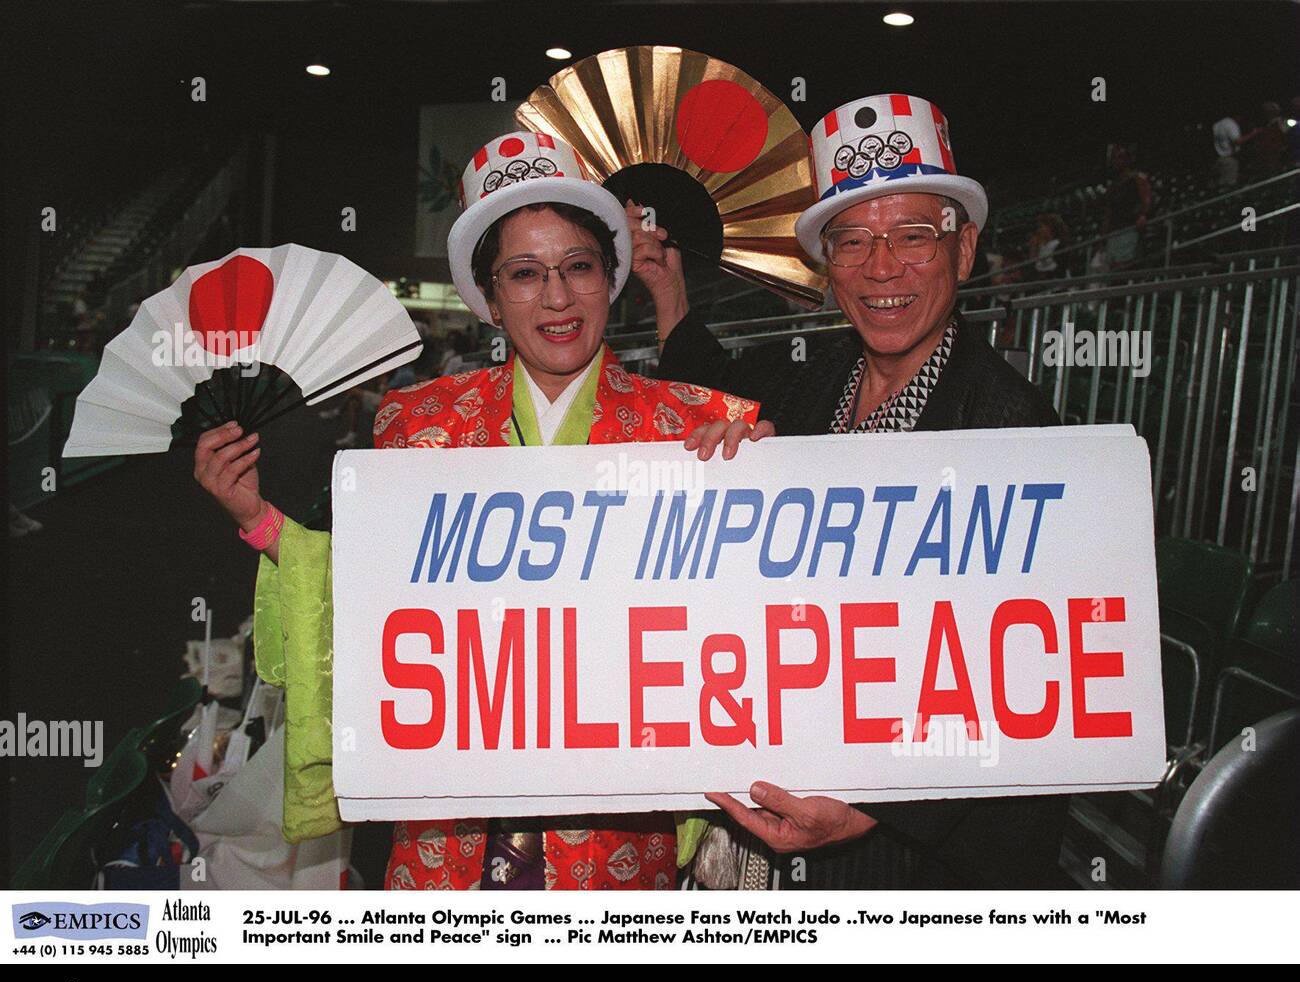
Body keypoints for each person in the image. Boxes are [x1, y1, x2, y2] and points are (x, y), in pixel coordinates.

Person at [194, 131, 772, 891]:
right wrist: (259, 516)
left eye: (579, 268)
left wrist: (755, 492)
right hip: (451, 827)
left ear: (611, 278)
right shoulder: (417, 425)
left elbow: (749, 633)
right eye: (525, 275)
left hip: (614, 838)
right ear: (491, 299)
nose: (557, 298)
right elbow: (368, 599)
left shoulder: (692, 426)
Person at [651, 93, 1068, 890]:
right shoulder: (807, 396)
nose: (883, 268)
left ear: (965, 247)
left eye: (915, 236)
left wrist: (882, 803)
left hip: (902, 869)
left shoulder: (1014, 429)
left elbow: (1028, 687)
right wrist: (735, 478)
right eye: (853, 242)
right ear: (825, 262)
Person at [1100, 146, 1151, 270]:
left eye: (1120, 158)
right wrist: (1103, 236)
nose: (1116, 162)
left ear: (1128, 160)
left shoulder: (1137, 179)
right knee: (1112, 267)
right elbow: (1108, 212)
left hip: (1131, 228)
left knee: (1126, 265)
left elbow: (1146, 199)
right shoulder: (1112, 187)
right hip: (1114, 230)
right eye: (1114, 158)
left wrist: (1143, 215)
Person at [1212, 112, 1244, 188]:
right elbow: (1237, 141)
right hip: (1230, 159)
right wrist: (1254, 133)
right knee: (1229, 187)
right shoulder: (1231, 124)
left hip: (1219, 158)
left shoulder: (1216, 124)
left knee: (1220, 186)